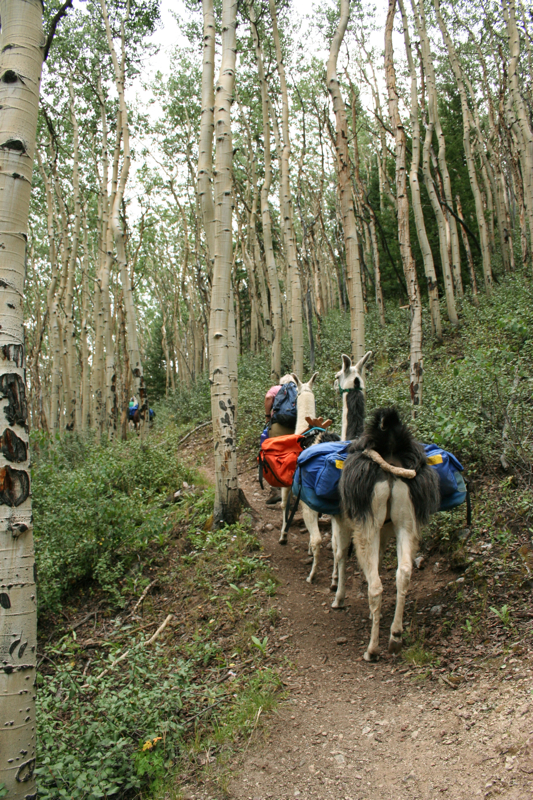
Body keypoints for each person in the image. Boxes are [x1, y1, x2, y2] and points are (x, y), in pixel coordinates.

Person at [264, 374, 296, 504]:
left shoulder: (276, 389)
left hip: (277, 427)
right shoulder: (298, 390)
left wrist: (267, 416)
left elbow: (268, 397)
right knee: (292, 458)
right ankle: (291, 494)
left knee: (276, 457)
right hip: (295, 428)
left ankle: (276, 490)